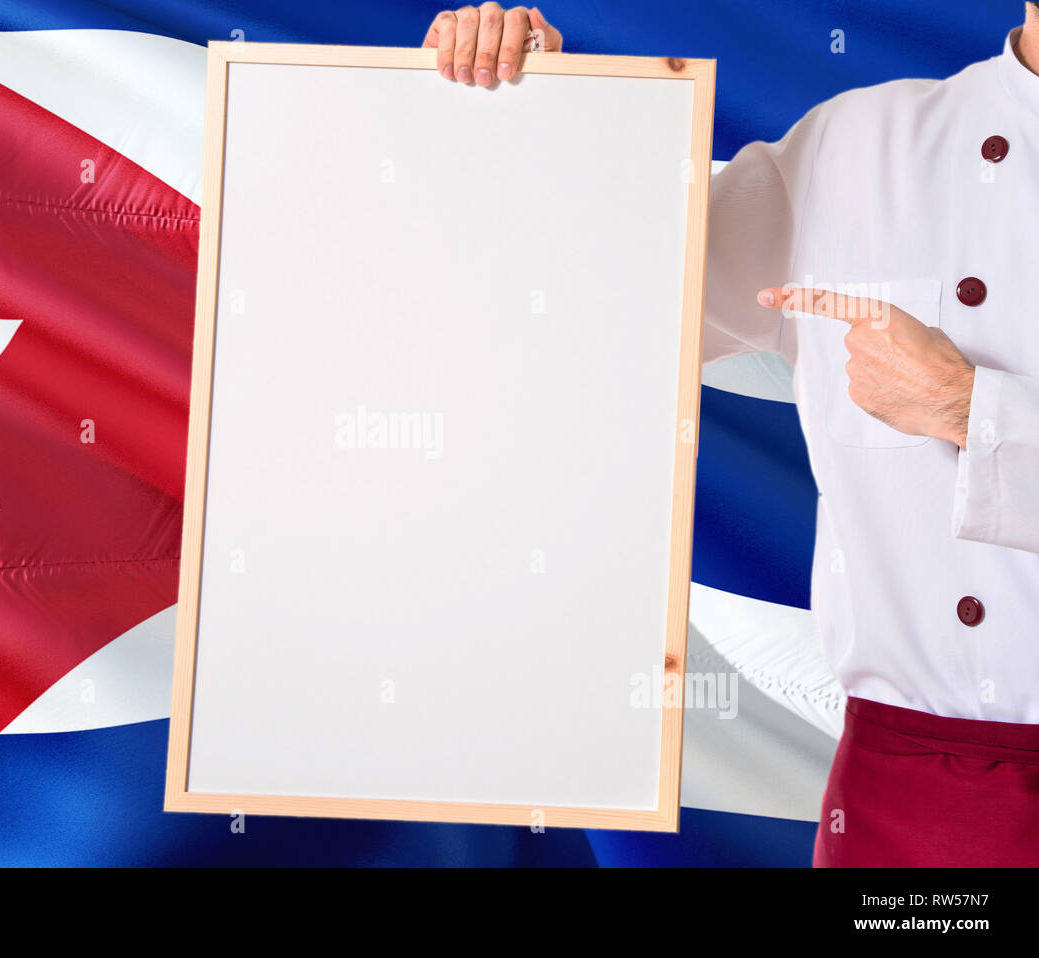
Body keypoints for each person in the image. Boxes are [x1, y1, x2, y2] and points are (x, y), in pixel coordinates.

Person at [424, 3, 1039, 866]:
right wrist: (532, 110)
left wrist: (969, 411)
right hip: (906, 801)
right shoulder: (853, 145)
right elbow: (600, 307)